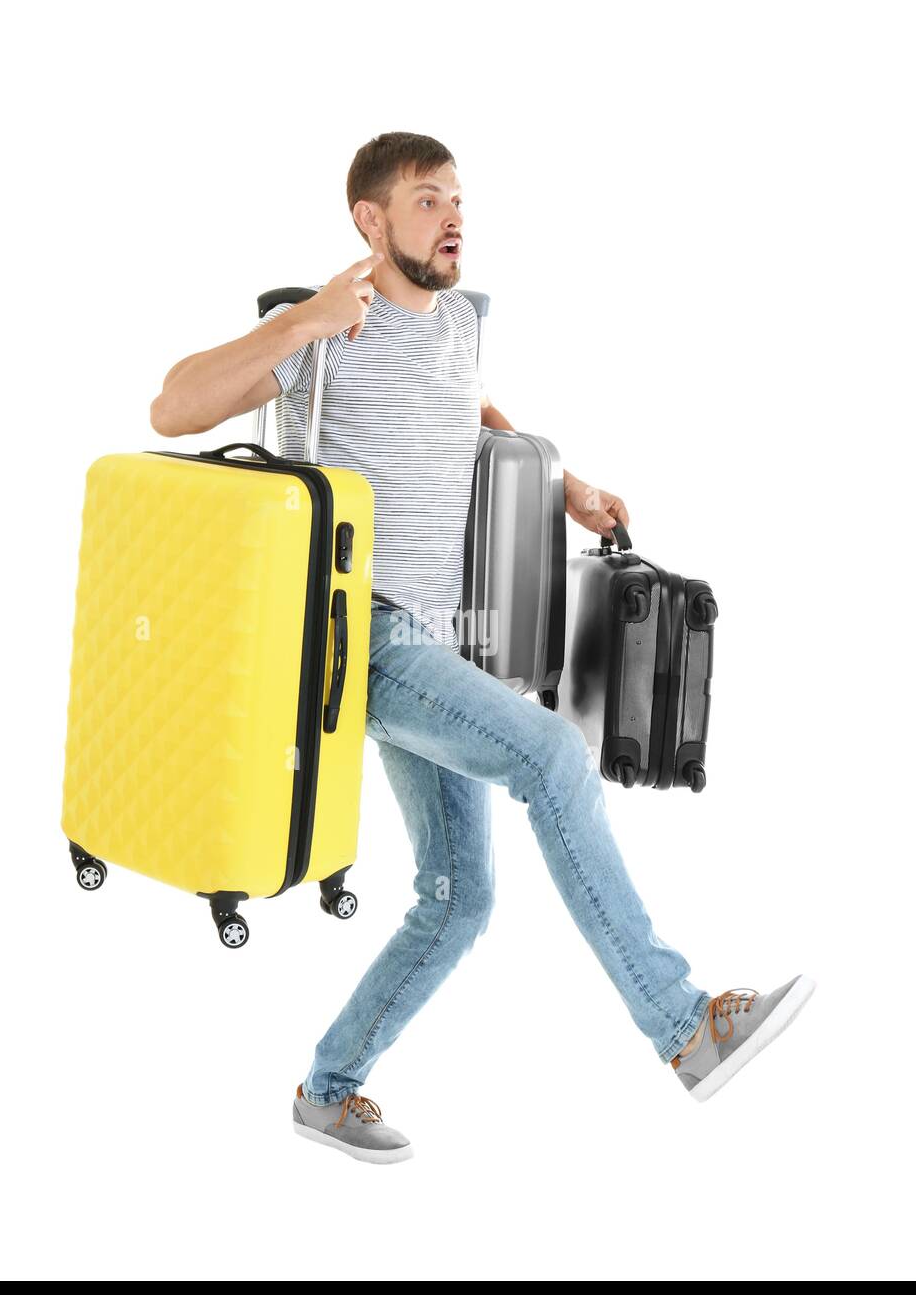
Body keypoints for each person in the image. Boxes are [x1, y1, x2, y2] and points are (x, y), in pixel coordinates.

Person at [151, 131, 816, 1166]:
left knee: (459, 897)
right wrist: (311, 318)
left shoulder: (459, 321)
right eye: (425, 200)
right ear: (369, 221)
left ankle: (329, 1088)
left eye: (457, 198)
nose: (452, 216)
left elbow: (469, 415)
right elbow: (172, 405)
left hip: (439, 630)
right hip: (353, 627)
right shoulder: (324, 330)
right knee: (551, 757)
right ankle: (685, 1025)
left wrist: (567, 484)